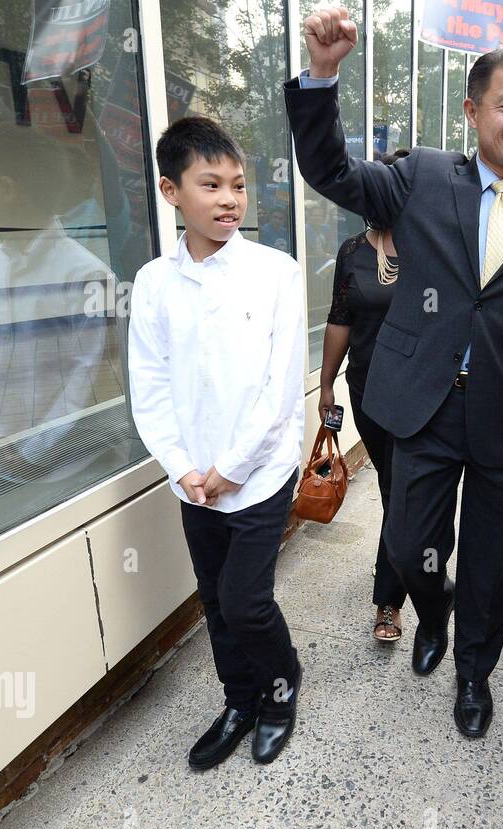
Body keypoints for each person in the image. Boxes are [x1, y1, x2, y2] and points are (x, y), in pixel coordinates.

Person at [286, 9, 503, 739]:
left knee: (494, 567)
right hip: (422, 407)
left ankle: (474, 675)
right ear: (473, 112)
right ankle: (431, 613)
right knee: (409, 548)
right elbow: (330, 172)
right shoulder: (424, 178)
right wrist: (323, 75)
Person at [128, 116, 306, 769]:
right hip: (194, 476)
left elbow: (279, 388)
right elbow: (148, 385)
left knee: (246, 600)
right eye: (212, 184)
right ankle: (239, 699)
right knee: (215, 598)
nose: (230, 198)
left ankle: (281, 689)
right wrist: (183, 467)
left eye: (238, 184)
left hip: (258, 473)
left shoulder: (275, 272)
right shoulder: (153, 283)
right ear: (172, 191)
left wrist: (231, 469)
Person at [318, 149, 411, 643]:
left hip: (426, 392)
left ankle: (389, 600)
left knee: (404, 494)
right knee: (399, 490)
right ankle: (411, 572)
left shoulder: (438, 249)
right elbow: (340, 318)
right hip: (368, 390)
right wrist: (327, 382)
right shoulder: (354, 251)